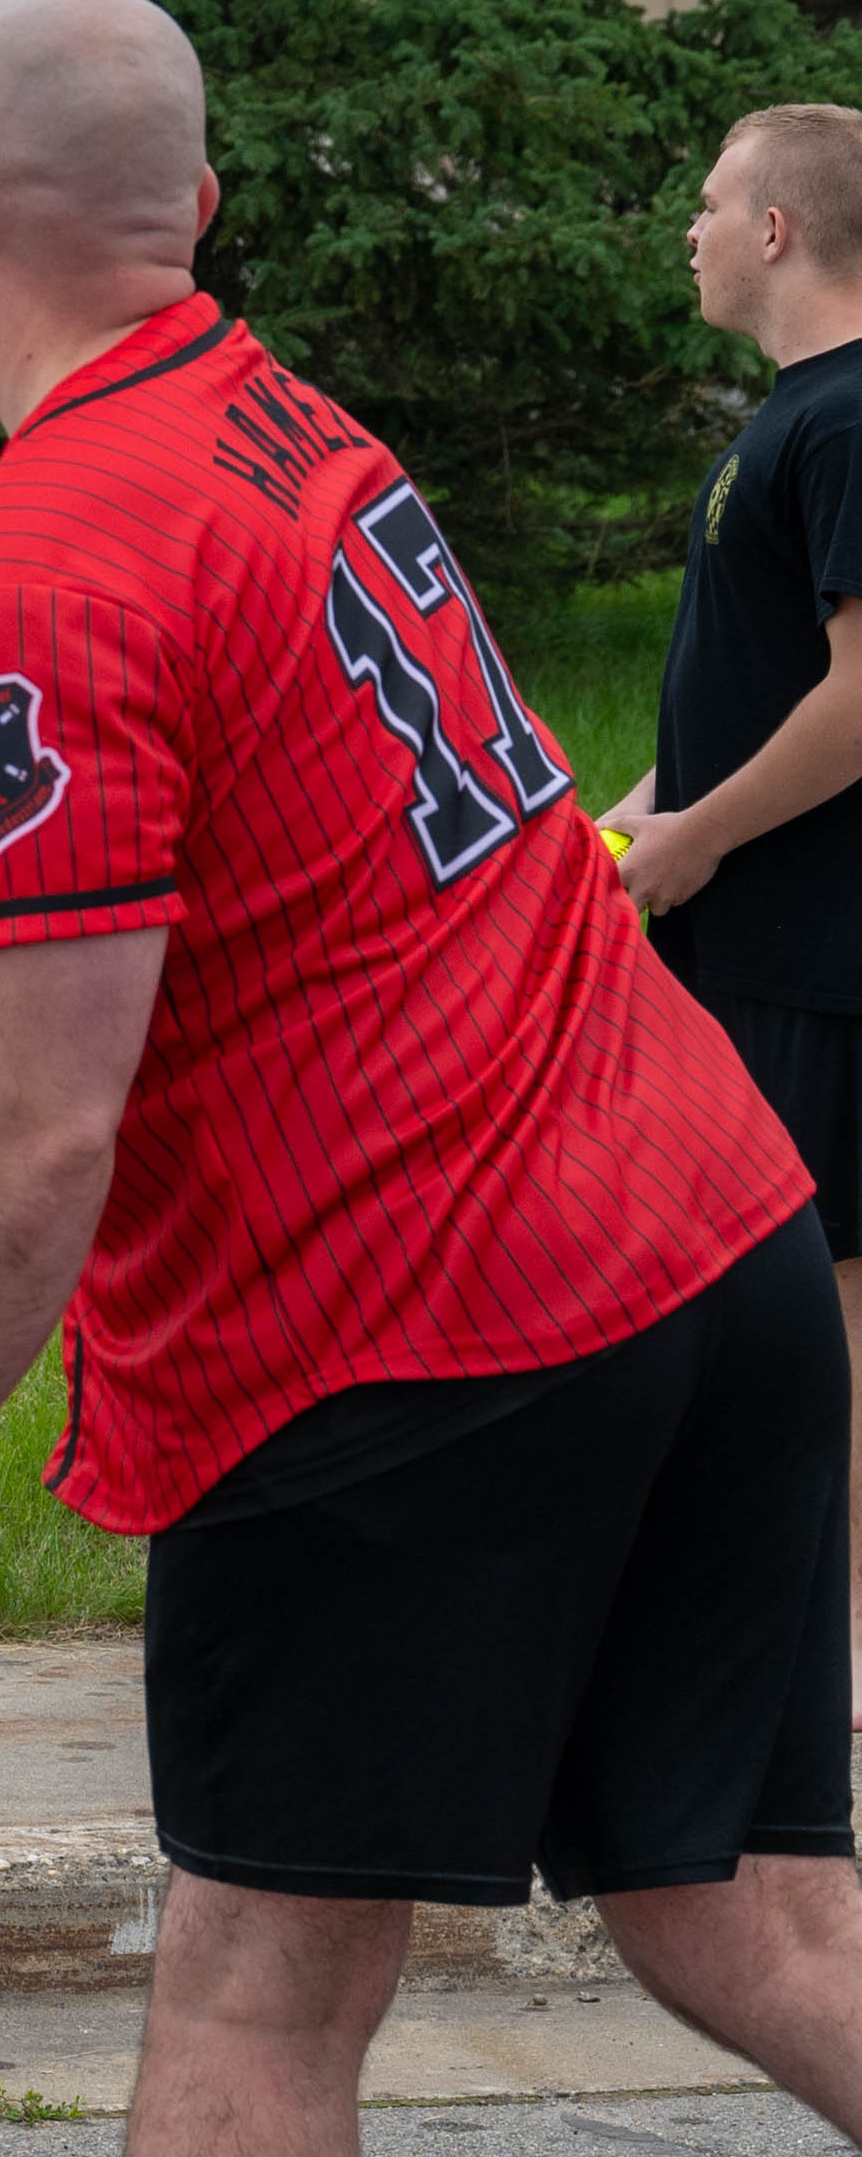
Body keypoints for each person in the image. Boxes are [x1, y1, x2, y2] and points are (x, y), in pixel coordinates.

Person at [0, 0, 862, 2157]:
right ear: (201, 209)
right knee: (760, 1920)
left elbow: (30, 1129)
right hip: (713, 1230)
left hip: (413, 1330)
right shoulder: (287, 420)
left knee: (255, 2003)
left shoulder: (32, 578)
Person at [601, 103, 862, 1708]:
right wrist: (613, 834)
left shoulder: (848, 422)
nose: (688, 229)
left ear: (776, 228)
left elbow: (860, 697)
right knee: (763, 1291)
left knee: (830, 1300)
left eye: (709, 203)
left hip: (822, 962)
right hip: (746, 945)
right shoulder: (787, 424)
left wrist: (695, 836)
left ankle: (831, 1652)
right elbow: (746, 693)